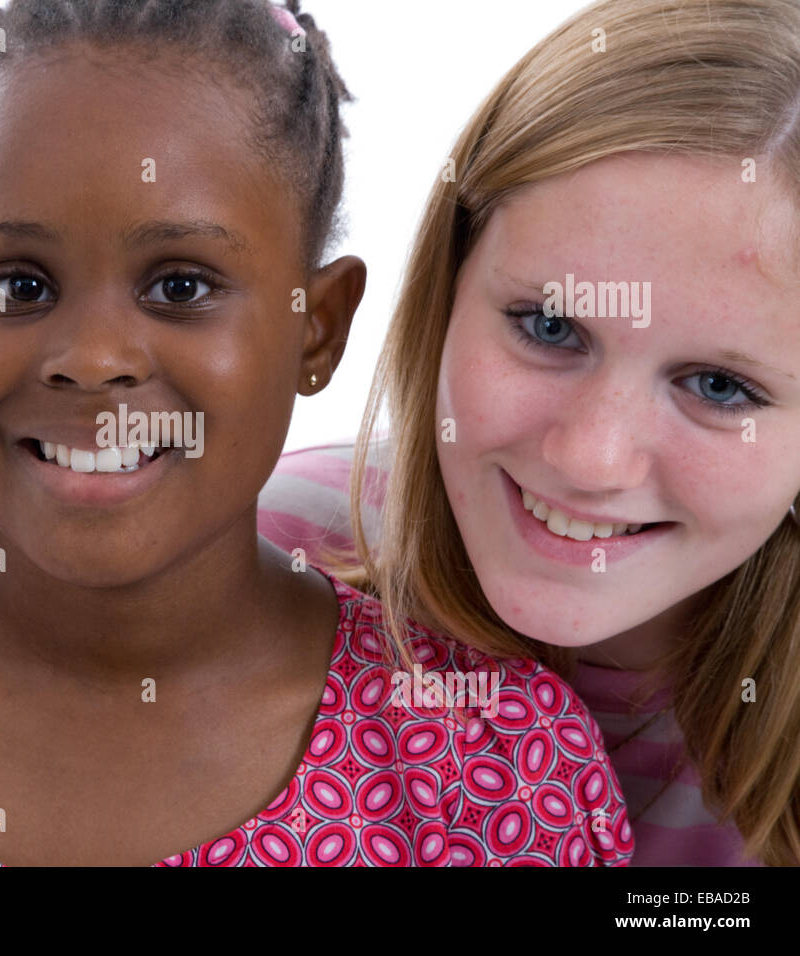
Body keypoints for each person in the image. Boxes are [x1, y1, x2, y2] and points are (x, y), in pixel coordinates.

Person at [0, 0, 631, 866]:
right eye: (17, 284)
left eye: (180, 284)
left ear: (314, 327)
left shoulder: (497, 764)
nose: (91, 356)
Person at [259, 0, 800, 865]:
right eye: (549, 328)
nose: (589, 459)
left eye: (718, 387)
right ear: (447, 289)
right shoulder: (266, 555)